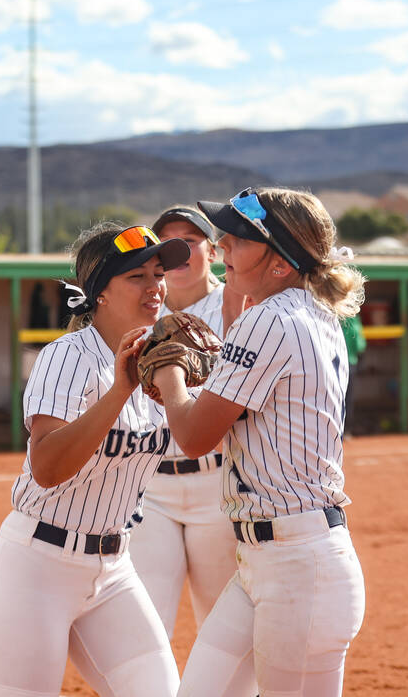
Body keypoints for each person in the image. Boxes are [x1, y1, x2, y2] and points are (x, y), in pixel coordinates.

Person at [155, 187, 367, 696]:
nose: (224, 242)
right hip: (270, 559)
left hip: (298, 566)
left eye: (240, 236)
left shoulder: (268, 319)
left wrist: (168, 368)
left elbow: (194, 435)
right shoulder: (309, 309)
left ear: (278, 263)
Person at [0, 223, 189, 697]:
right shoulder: (67, 357)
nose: (154, 286)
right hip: (36, 568)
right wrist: (119, 391)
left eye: (159, 273)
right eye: (137, 276)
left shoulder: (164, 362)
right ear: (100, 293)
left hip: (114, 569)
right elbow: (47, 467)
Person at [127, 207, 242, 646]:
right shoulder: (139, 308)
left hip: (218, 484)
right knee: (142, 624)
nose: (181, 249)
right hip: (151, 488)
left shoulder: (236, 303)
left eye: (192, 239)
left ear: (213, 251)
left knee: (221, 630)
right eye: (170, 240)